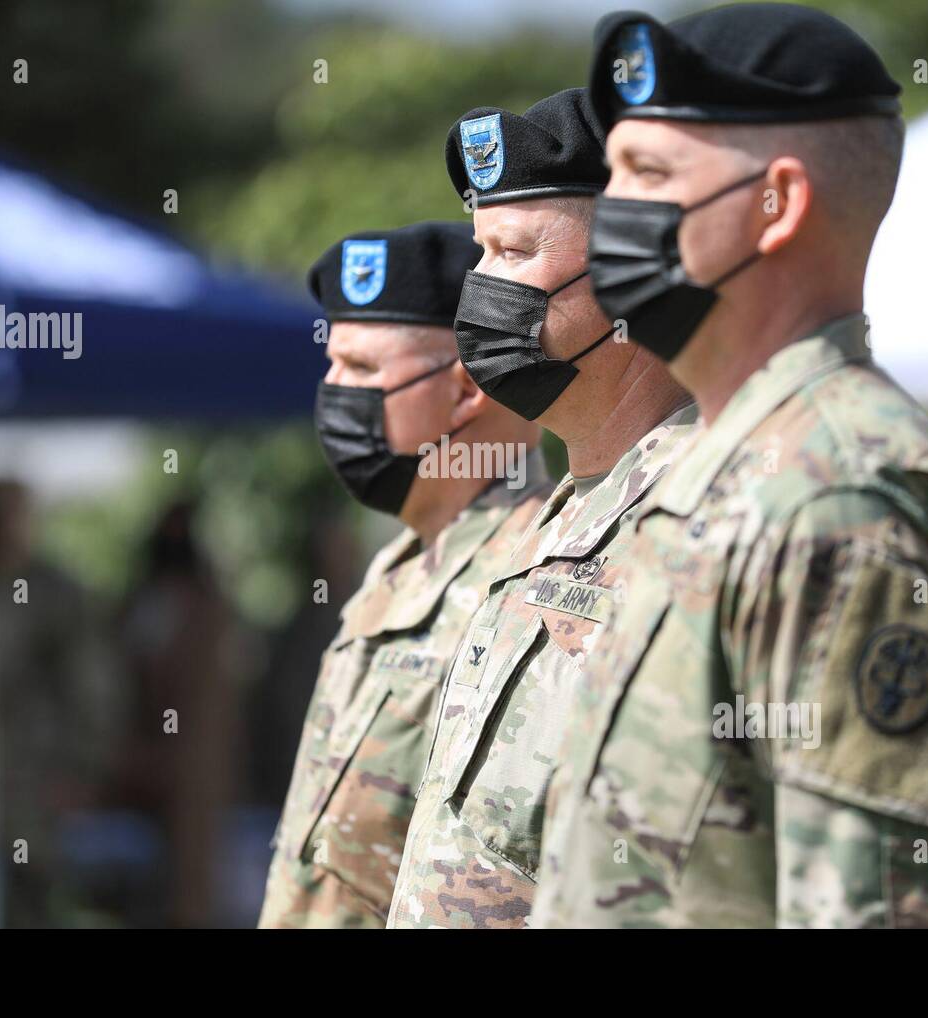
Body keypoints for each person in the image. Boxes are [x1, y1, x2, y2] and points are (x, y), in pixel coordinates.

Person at [531, 3, 928, 928]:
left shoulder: (840, 500)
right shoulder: (714, 474)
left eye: (649, 175)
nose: (615, 219)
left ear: (780, 204)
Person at [387, 89, 696, 928]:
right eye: (479, 252)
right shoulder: (548, 527)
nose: (481, 289)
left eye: (516, 252)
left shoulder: (708, 529)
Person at [260, 221, 551, 927]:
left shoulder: (533, 585)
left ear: (462, 392)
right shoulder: (398, 569)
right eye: (333, 366)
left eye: (361, 371)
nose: (333, 393)